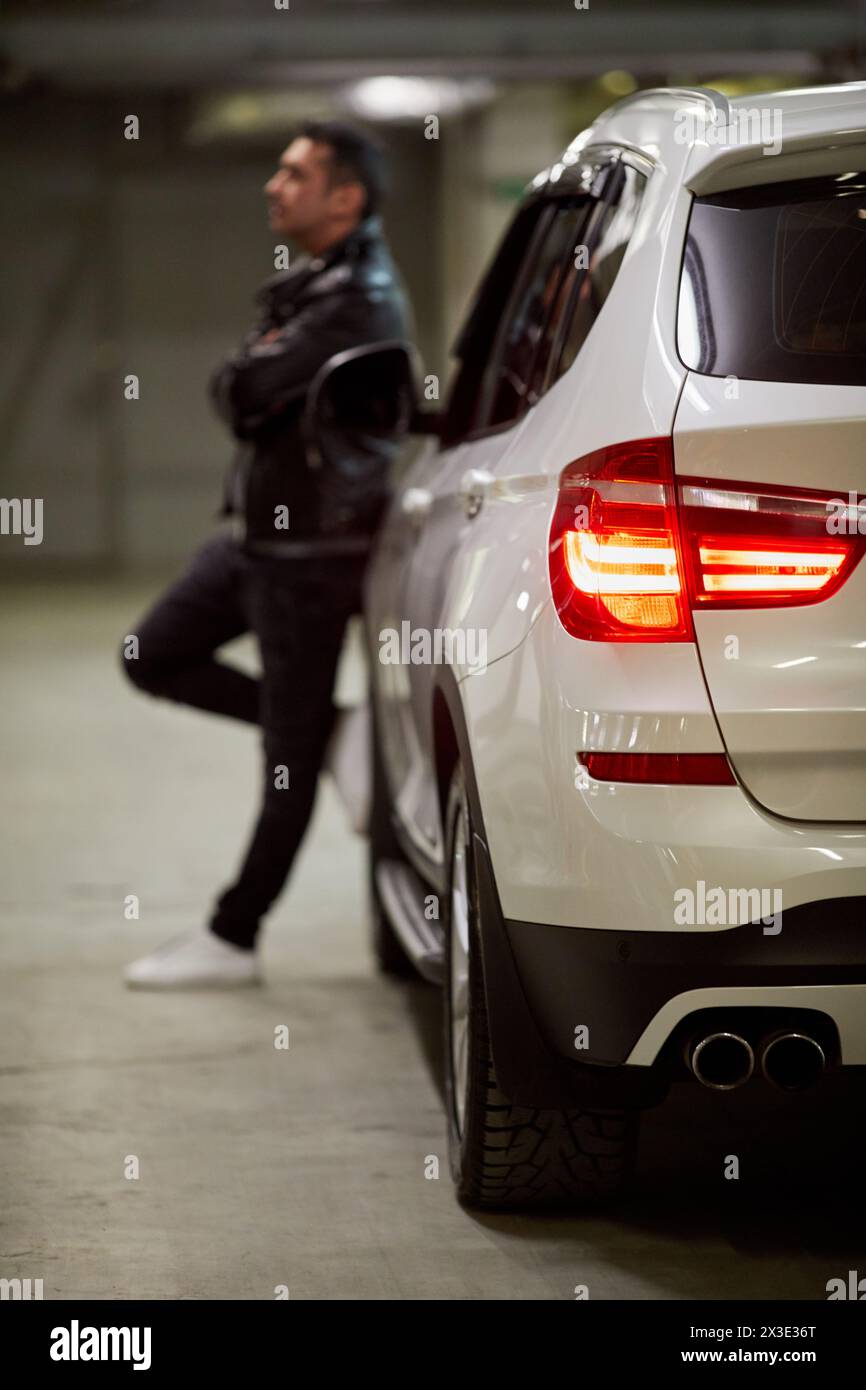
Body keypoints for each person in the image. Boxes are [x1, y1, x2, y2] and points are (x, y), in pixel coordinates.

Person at [121, 121, 411, 988]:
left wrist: (249, 378)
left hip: (312, 555)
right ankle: (331, 729)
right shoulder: (317, 283)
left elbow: (243, 385)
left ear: (344, 197)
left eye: (293, 175)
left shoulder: (357, 297)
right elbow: (240, 390)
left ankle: (233, 937)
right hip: (261, 538)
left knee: (282, 754)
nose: (272, 187)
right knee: (149, 653)